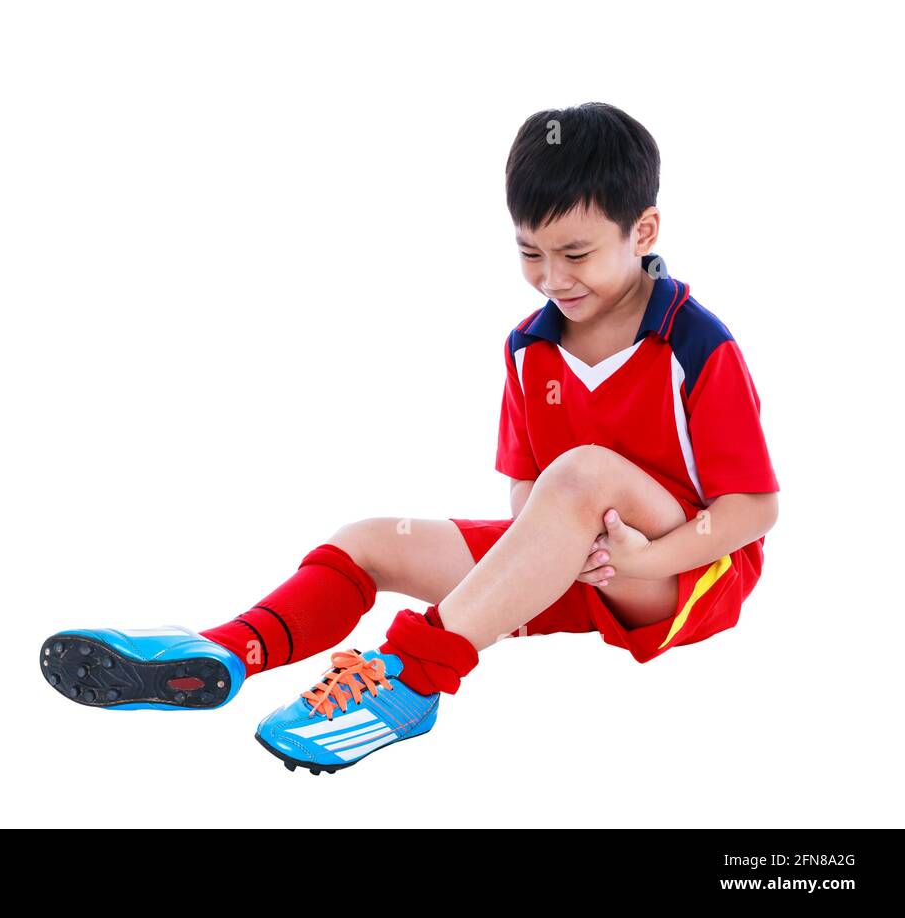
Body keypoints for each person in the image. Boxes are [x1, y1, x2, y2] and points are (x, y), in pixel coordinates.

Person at [40, 102, 781, 774]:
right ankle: (227, 650)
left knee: (584, 472)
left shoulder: (694, 342)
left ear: (643, 232)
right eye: (530, 253)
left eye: (576, 254)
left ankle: (411, 676)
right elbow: (529, 492)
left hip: (687, 573)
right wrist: (550, 560)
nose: (551, 277)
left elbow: (751, 510)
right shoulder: (529, 347)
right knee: (369, 539)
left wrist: (644, 555)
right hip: (585, 566)